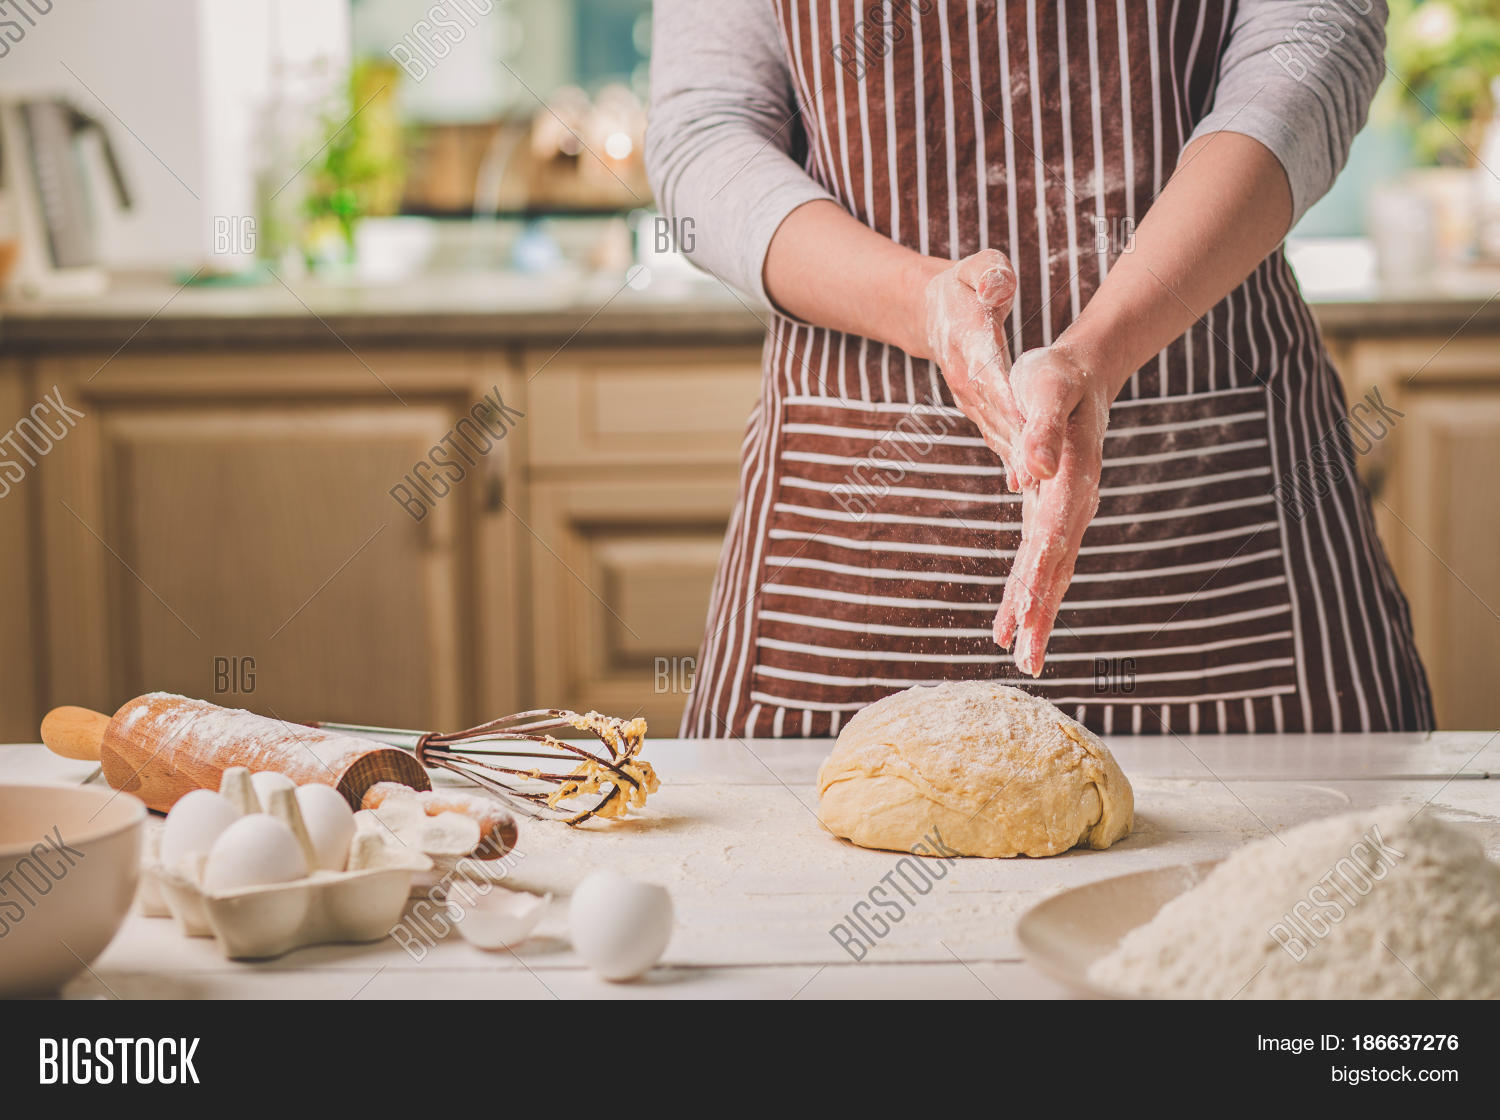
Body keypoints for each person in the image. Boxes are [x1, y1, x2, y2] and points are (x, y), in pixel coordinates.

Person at [646, 0, 1432, 738]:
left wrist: (1105, 345)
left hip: (1220, 535)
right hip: (850, 552)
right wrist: (923, 302)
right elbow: (704, 133)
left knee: (1298, 883)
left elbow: (1311, 48)